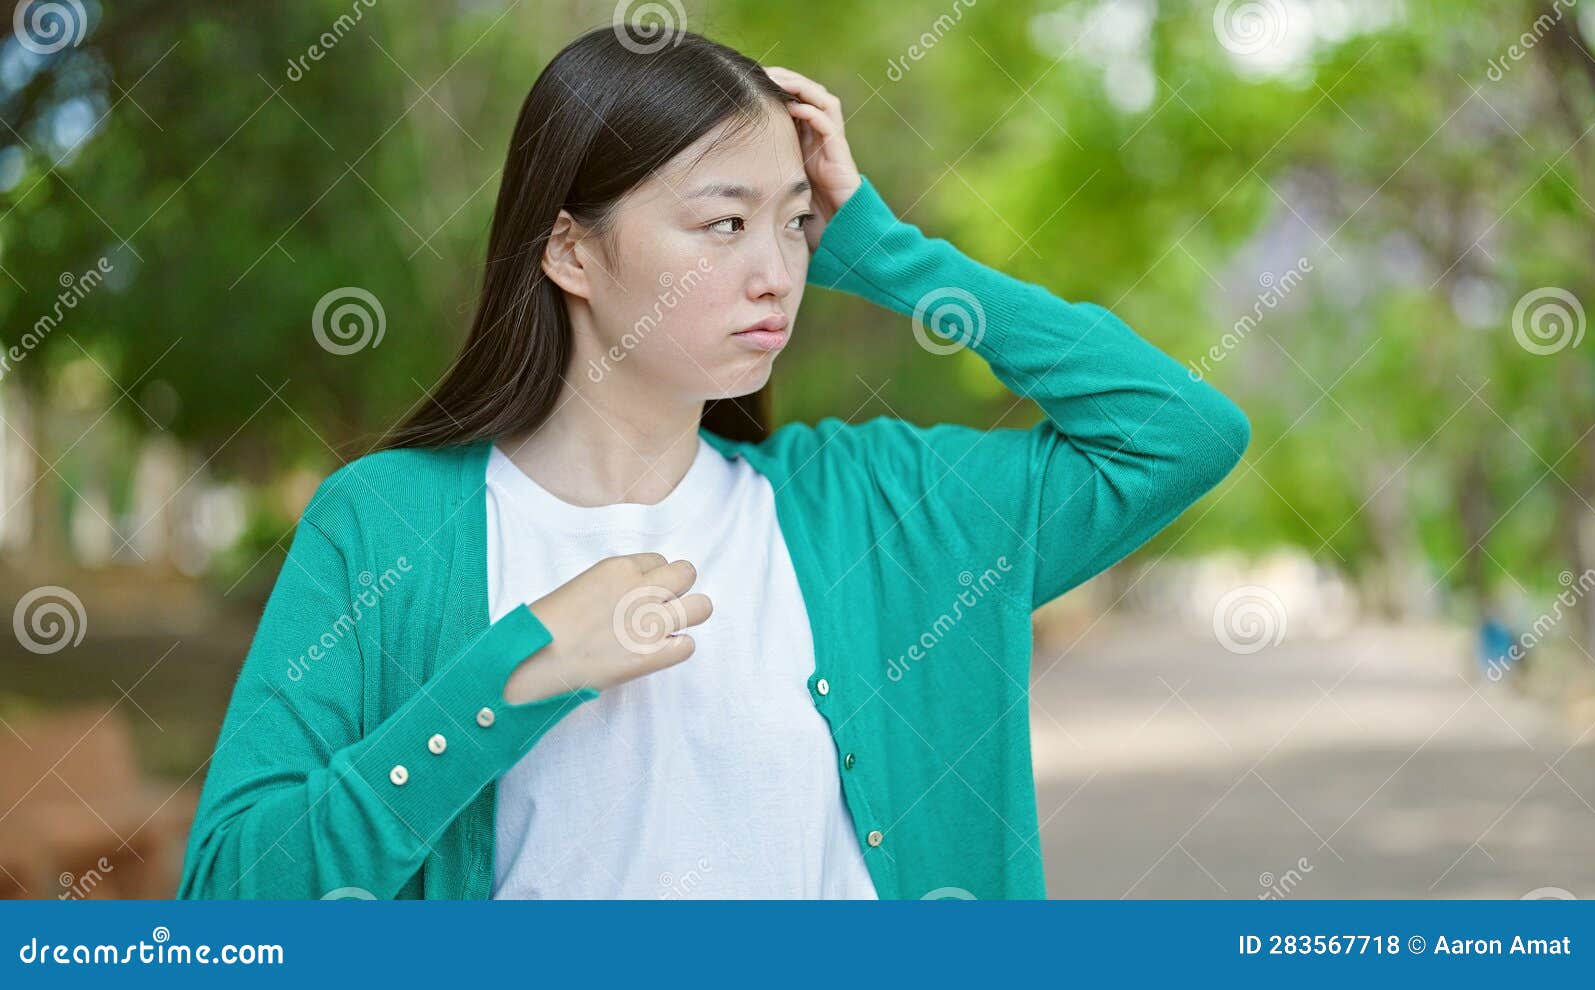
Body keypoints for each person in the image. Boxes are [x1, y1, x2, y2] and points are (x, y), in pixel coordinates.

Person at [178, 24, 1250, 900]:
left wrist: (878, 243)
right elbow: (234, 896)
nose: (774, 272)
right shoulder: (385, 524)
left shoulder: (875, 508)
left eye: (794, 225)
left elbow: (1177, 431)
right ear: (569, 252)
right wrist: (517, 674)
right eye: (722, 222)